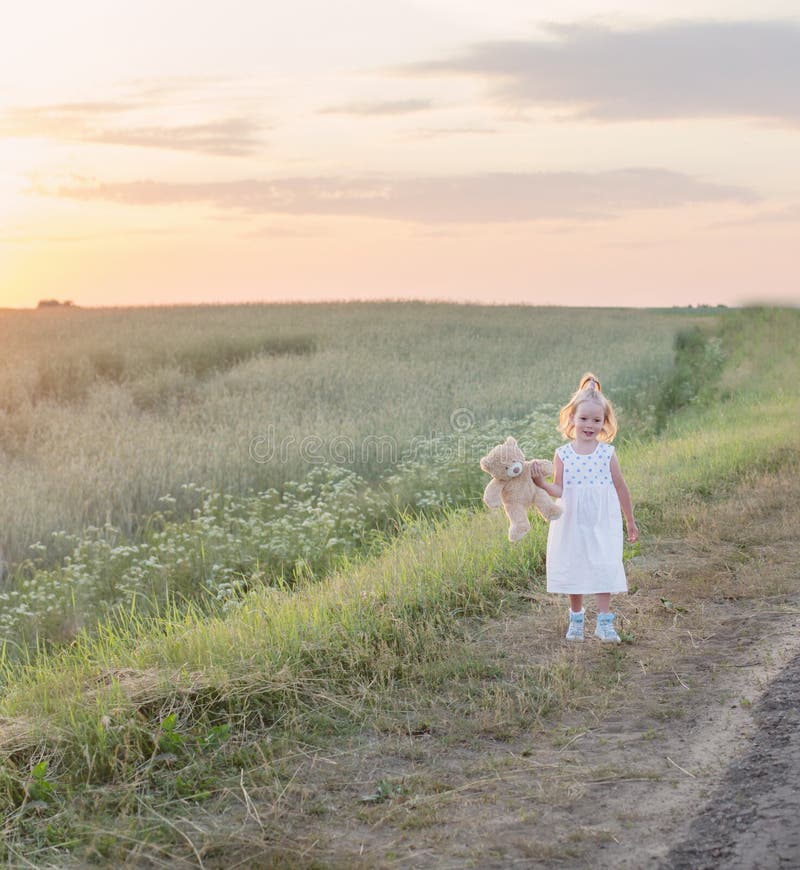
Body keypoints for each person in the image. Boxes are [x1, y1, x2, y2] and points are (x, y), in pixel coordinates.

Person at [532, 373, 638, 643]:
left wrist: (630, 519)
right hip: (572, 520)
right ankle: (576, 620)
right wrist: (541, 484)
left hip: (602, 519)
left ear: (604, 423)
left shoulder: (607, 453)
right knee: (574, 564)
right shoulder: (562, 454)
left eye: (596, 420)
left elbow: (620, 487)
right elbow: (559, 489)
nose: (589, 425)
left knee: (604, 565)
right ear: (572, 419)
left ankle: (604, 623)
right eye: (584, 419)